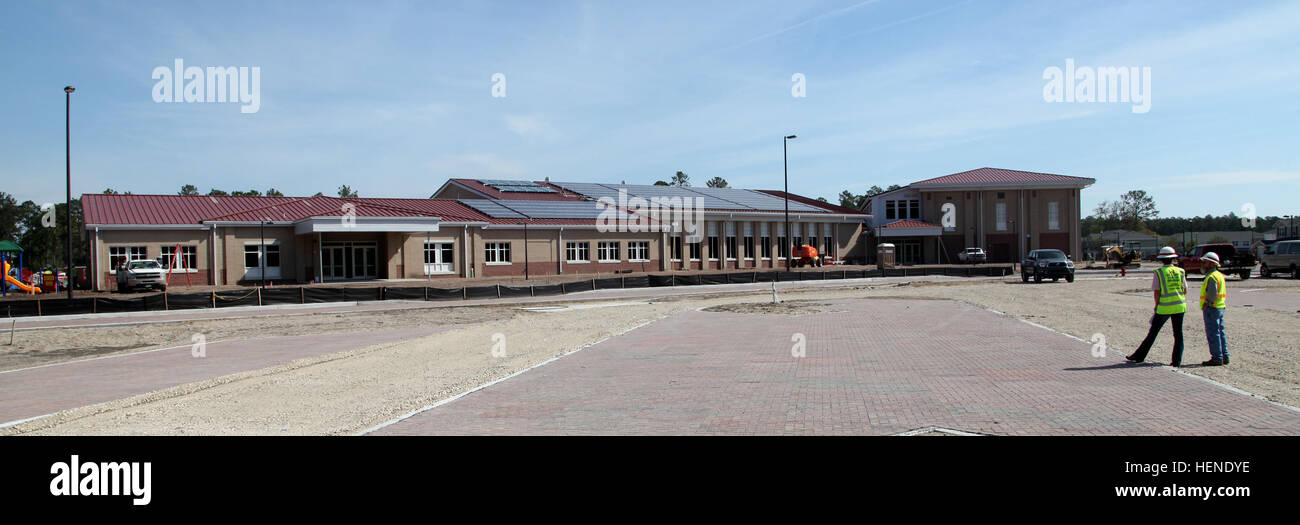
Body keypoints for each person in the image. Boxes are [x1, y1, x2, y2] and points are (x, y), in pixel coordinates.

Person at [1127, 246, 1187, 367]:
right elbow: (1184, 289)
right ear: (1173, 258)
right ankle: (1176, 361)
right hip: (1180, 306)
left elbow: (1157, 291)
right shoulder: (1181, 271)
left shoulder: (1159, 273)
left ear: (1161, 259)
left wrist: (1156, 305)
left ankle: (1139, 356)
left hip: (1164, 306)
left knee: (1153, 333)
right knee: (1178, 334)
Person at [1199, 252, 1229, 366]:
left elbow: (1212, 293)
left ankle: (1217, 358)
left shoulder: (1212, 277)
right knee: (1220, 332)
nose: (1203, 264)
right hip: (1220, 307)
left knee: (1213, 333)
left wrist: (1207, 303)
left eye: (1205, 262)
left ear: (1212, 264)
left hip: (1212, 308)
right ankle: (1224, 356)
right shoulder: (1219, 275)